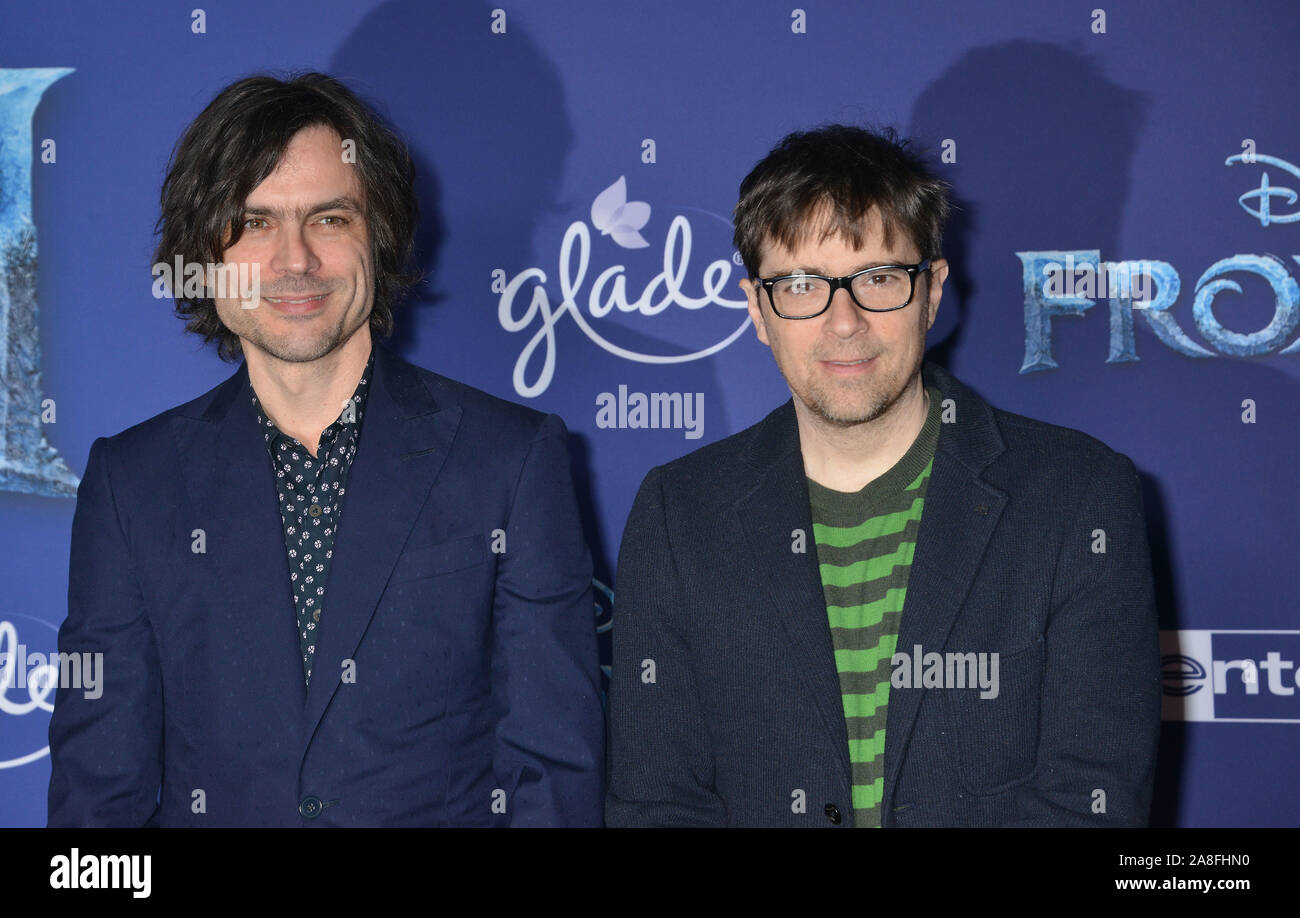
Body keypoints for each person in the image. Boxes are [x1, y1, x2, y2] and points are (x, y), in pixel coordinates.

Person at [47, 73, 603, 827]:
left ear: (378, 234)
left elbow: (553, 776)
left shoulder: (512, 461)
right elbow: (96, 805)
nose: (295, 260)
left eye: (330, 218)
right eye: (254, 222)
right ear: (202, 258)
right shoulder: (130, 485)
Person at [605, 124, 1161, 827]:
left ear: (931, 292)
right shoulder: (679, 512)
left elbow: (1091, 804)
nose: (844, 322)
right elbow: (659, 803)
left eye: (877, 279)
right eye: (803, 285)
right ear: (756, 310)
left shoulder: (1078, 497)